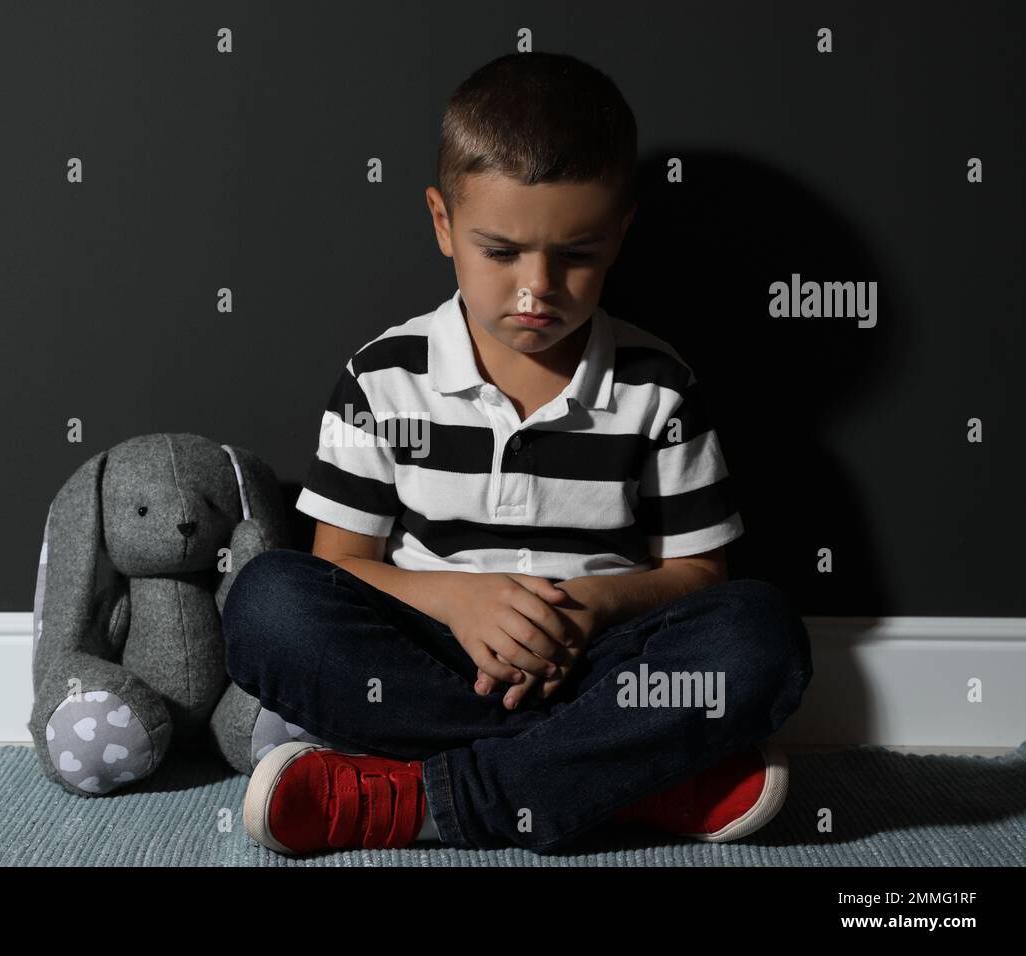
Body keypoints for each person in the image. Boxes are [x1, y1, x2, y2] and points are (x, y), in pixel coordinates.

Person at [221, 51, 813, 856]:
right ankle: (619, 781)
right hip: (436, 655)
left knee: (759, 636)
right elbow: (341, 566)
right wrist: (463, 603)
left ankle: (422, 799)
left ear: (620, 233)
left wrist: (590, 609)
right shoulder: (382, 379)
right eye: (501, 252)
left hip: (599, 660)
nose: (537, 289)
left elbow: (700, 575)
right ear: (442, 223)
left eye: (576, 255)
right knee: (268, 603)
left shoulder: (658, 384)